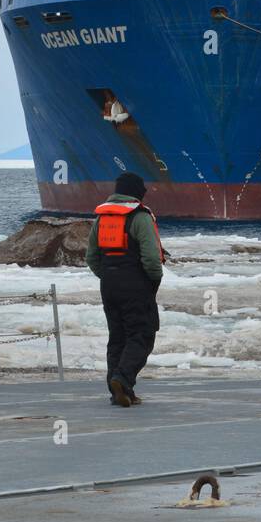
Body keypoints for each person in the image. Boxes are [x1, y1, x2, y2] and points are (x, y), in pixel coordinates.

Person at [86, 171, 165, 406]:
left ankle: (118, 390)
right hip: (135, 284)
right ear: (136, 192)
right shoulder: (140, 217)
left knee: (117, 337)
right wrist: (153, 280)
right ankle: (123, 378)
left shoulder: (102, 218)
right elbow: (151, 259)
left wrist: (108, 276)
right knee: (142, 334)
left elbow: (91, 257)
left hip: (108, 285)